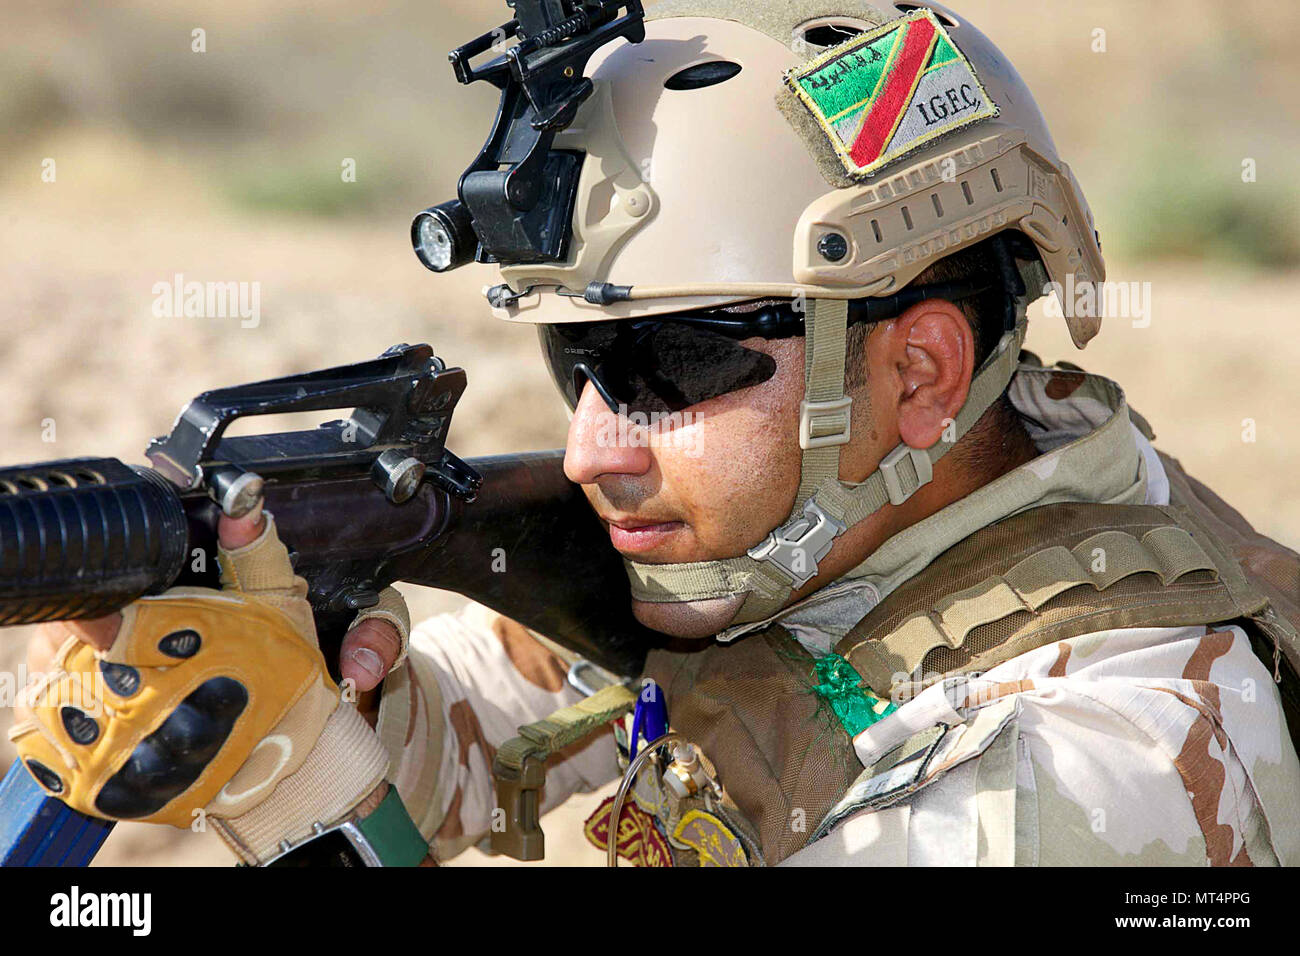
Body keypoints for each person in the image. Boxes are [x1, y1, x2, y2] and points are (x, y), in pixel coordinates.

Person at [14, 0, 1300, 867]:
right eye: (576, 358)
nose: (586, 448)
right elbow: (484, 718)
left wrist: (311, 810)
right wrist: (318, 685)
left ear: (916, 370)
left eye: (663, 361)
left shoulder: (1095, 772)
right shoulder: (809, 534)